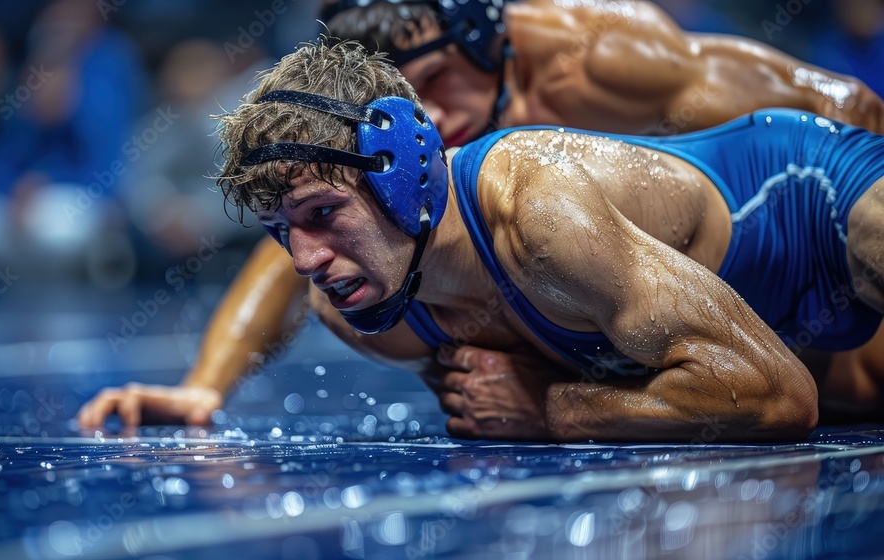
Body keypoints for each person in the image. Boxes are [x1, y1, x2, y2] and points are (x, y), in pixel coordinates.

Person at [78, 0, 884, 431]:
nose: (304, 258)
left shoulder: (593, 65)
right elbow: (297, 241)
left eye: (321, 216)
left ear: (407, 164)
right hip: (690, 307)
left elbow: (776, 399)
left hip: (802, 194)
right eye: (287, 231)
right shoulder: (368, 294)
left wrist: (549, 409)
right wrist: (203, 389)